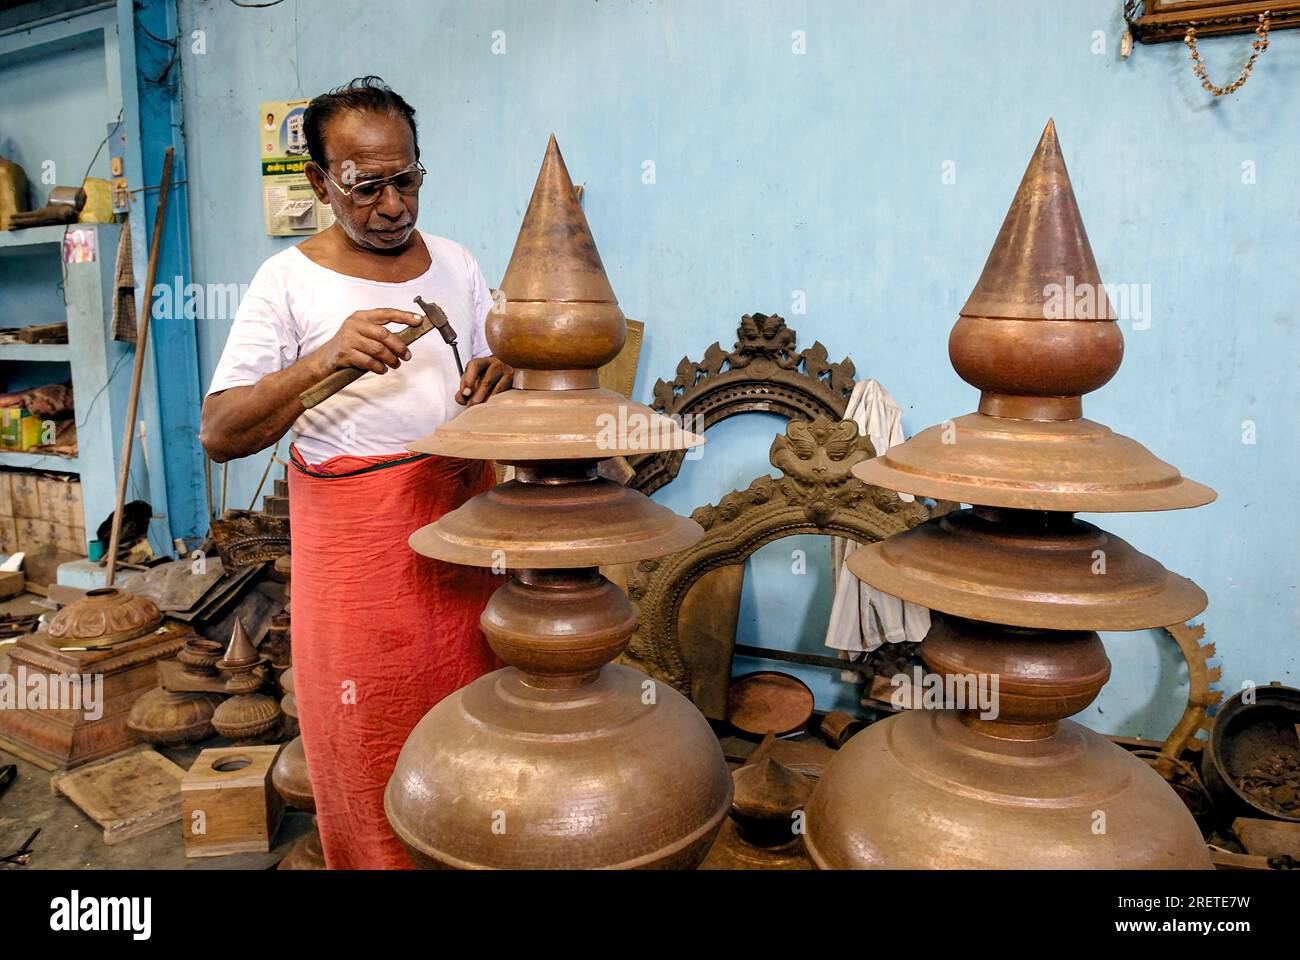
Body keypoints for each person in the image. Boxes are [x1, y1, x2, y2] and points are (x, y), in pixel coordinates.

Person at [200, 76, 513, 869]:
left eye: (405, 179)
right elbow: (220, 432)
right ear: (318, 182)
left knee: (478, 735)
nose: (393, 205)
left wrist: (498, 374)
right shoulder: (288, 283)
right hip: (359, 564)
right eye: (365, 185)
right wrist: (324, 357)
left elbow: (492, 364)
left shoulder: (457, 263)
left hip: (467, 544)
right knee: (368, 741)